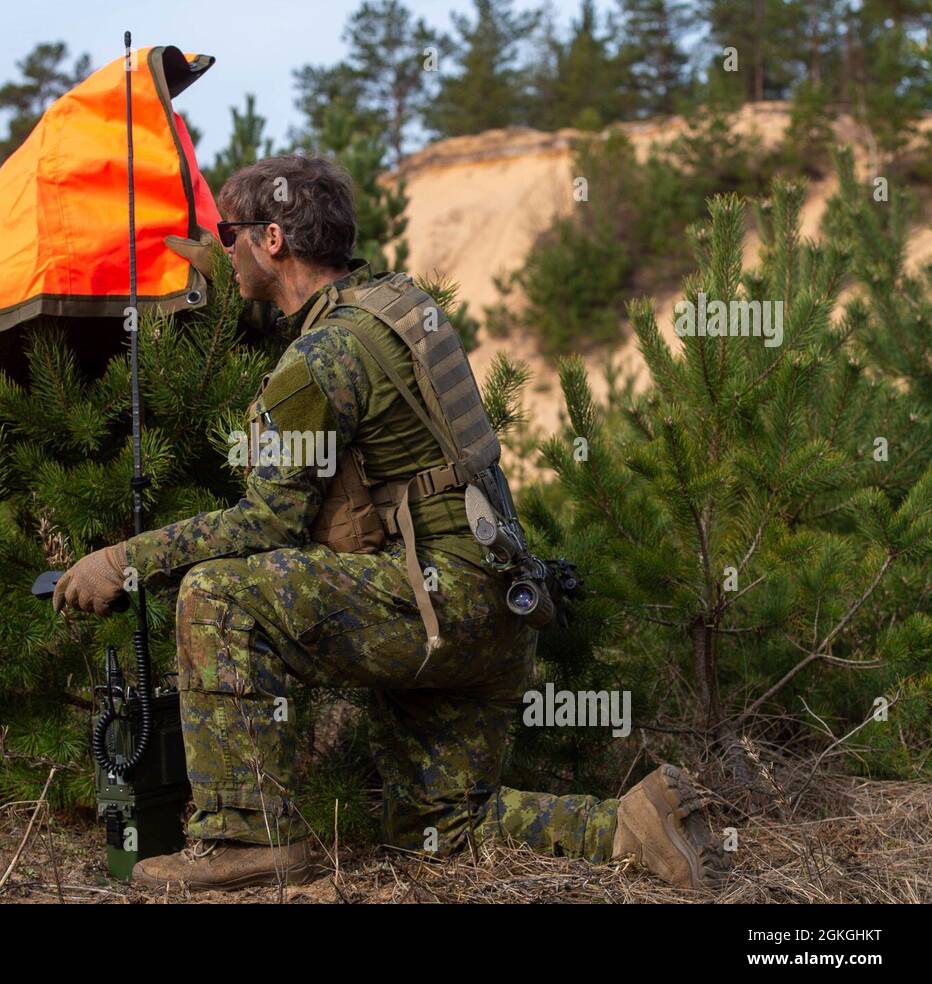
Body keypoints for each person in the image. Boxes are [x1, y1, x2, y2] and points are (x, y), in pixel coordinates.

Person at [55, 154, 727, 893]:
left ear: (272, 239)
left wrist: (122, 560)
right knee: (439, 824)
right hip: (494, 601)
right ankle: (636, 824)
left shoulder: (319, 357)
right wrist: (222, 275)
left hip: (433, 601)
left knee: (219, 595)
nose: (221, 248)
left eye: (228, 233)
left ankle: (241, 836)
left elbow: (268, 523)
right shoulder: (397, 307)